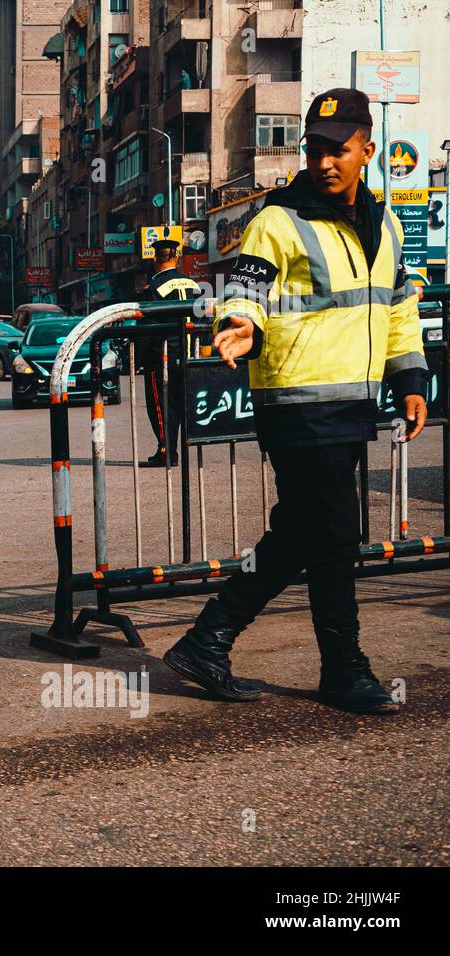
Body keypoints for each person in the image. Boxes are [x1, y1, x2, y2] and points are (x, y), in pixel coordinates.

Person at [164, 88, 428, 715]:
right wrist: (242, 324)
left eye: (338, 150)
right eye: (314, 150)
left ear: (367, 149)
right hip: (294, 401)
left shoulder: (385, 224)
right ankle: (343, 669)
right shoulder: (276, 220)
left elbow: (397, 312)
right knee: (333, 535)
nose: (325, 162)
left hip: (349, 406)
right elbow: (247, 289)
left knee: (306, 531)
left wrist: (411, 380)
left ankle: (208, 640)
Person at [139, 237, 201, 467]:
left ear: (156, 259)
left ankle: (166, 451)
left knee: (161, 405)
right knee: (182, 403)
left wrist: (141, 357)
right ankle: (184, 448)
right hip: (187, 355)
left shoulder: (154, 286)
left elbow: (148, 325)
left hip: (162, 356)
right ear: (176, 258)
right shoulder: (192, 283)